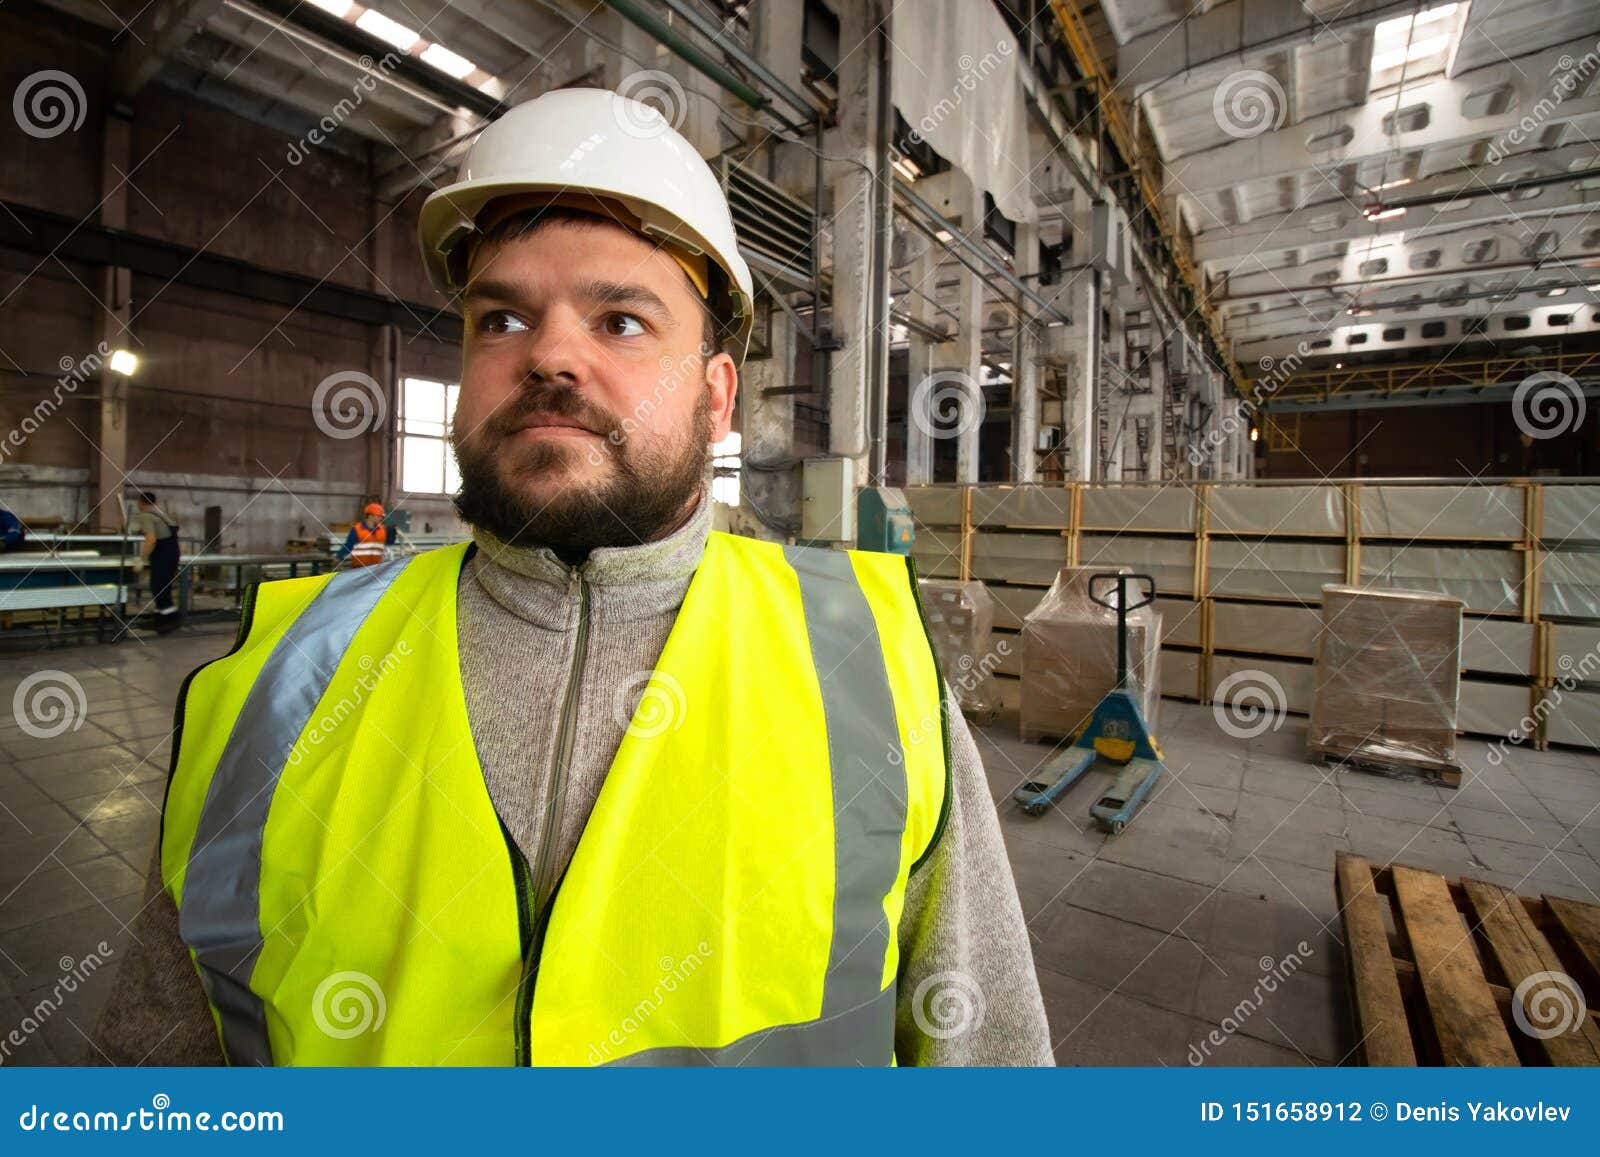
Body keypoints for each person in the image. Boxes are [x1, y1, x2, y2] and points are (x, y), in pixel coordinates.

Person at [95, 89, 1050, 1067]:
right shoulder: (280, 680)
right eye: (501, 316)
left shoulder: (866, 665)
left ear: (717, 397)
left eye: (622, 321)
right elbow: (154, 1056)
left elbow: (986, 1056)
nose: (549, 354)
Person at [132, 490, 180, 633]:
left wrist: (142, 560)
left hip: (163, 554)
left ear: (140, 502)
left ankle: (171, 619)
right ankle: (160, 618)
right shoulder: (160, 515)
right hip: (171, 552)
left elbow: (151, 539)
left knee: (159, 587)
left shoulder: (145, 516)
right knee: (161, 586)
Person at [337, 502, 390, 567]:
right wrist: (340, 555)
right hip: (359, 568)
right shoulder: (357, 529)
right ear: (370, 516)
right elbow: (349, 545)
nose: (381, 518)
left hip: (377, 568)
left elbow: (388, 543)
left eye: (381, 516)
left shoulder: (382, 530)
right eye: (378, 516)